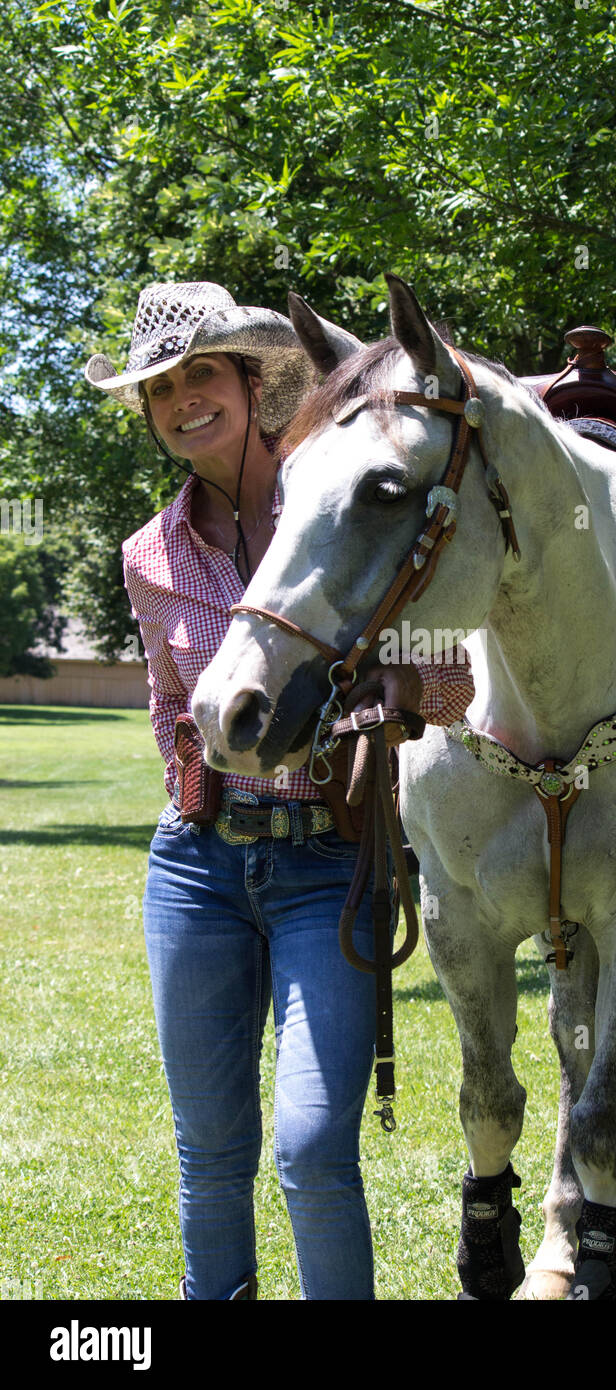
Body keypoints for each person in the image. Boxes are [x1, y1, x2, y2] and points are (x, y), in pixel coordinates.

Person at [85, 281, 475, 1300]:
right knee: (210, 1153)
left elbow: (455, 675)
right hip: (198, 867)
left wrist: (387, 689)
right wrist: (197, 752)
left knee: (310, 1146)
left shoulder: (343, 500)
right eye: (159, 389)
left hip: (326, 867)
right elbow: (170, 706)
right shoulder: (148, 556)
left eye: (200, 373)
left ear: (254, 382)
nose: (181, 400)